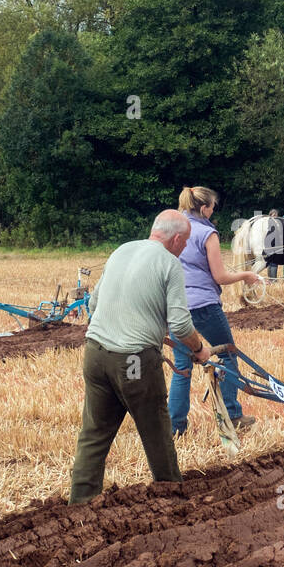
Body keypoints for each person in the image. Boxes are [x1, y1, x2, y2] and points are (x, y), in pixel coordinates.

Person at [69, 210, 210, 505]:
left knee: (94, 434)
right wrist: (199, 349)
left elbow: (93, 304)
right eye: (184, 244)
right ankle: (171, 498)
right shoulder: (170, 264)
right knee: (156, 429)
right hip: (133, 362)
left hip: (95, 354)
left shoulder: (122, 250)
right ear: (176, 239)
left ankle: (79, 505)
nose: (184, 249)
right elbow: (182, 324)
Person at [168, 186, 262, 437]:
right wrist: (247, 275)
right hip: (203, 306)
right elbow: (220, 276)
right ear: (203, 208)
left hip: (175, 307)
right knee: (228, 355)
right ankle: (232, 414)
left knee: (181, 367)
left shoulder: (171, 230)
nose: (212, 211)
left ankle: (175, 426)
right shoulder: (207, 233)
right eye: (212, 207)